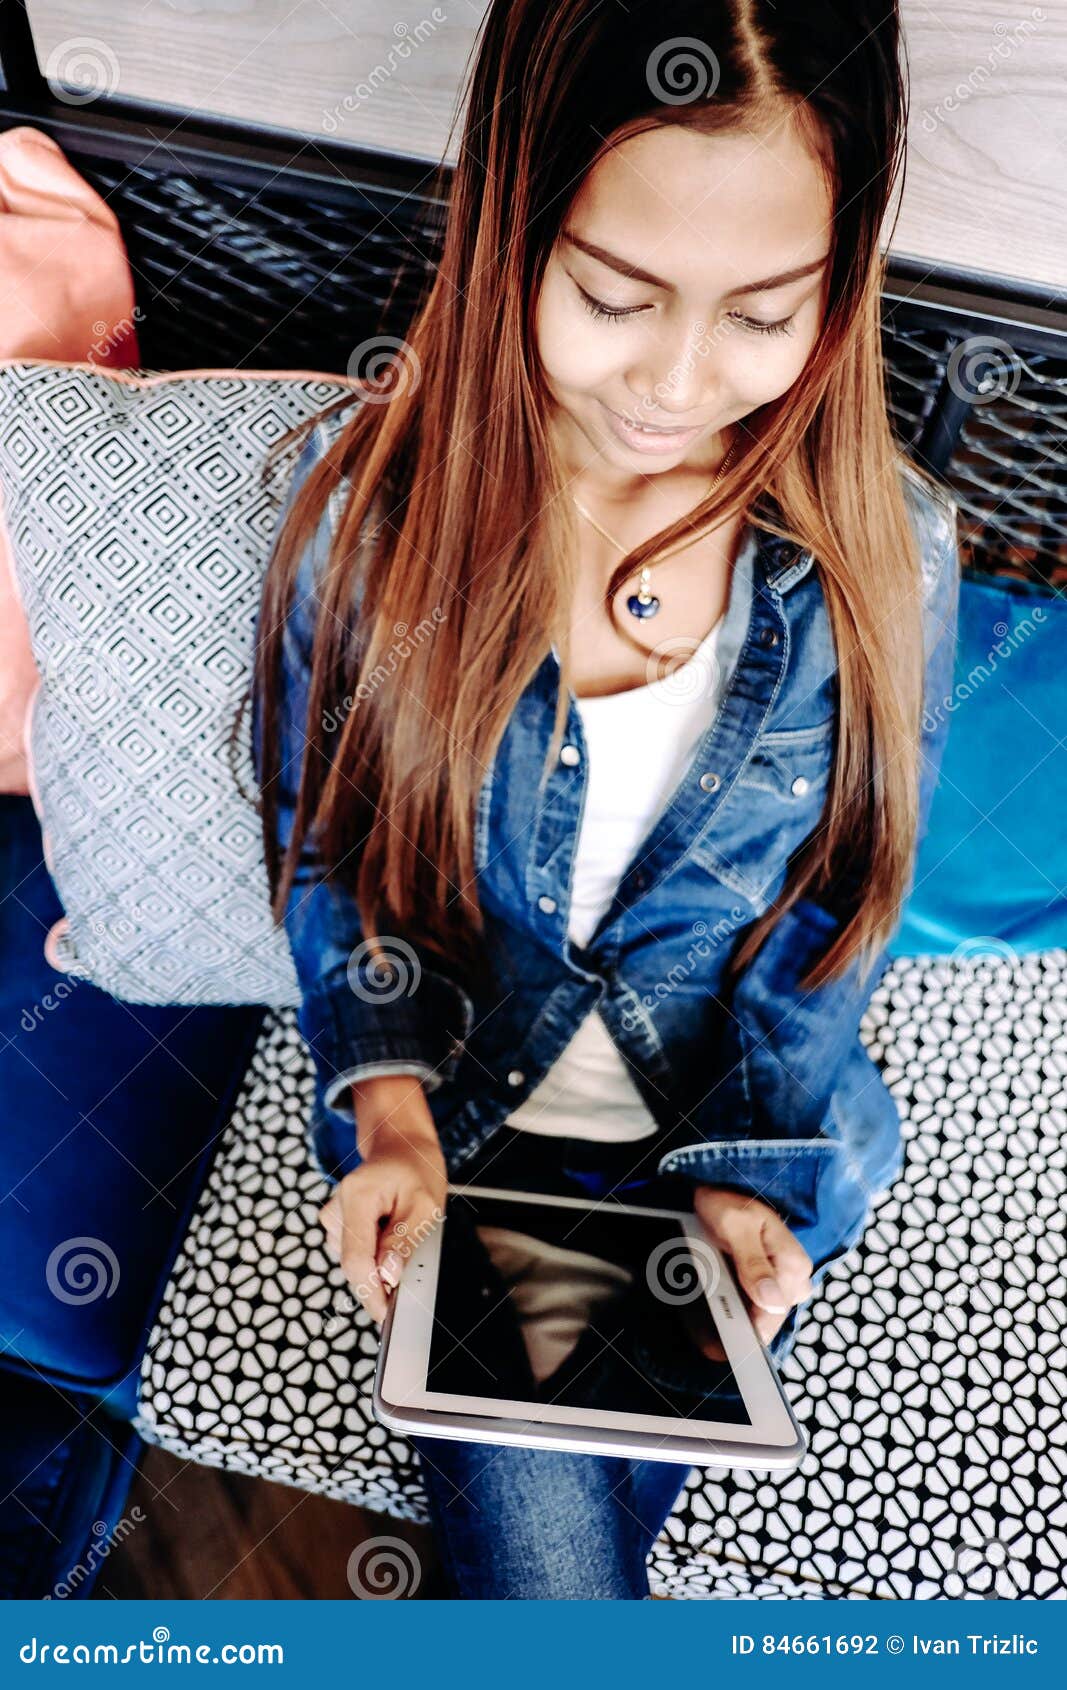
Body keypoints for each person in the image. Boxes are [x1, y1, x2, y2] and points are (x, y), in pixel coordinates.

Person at [252, 0, 960, 1599]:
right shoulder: (365, 520)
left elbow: (836, 912)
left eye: (765, 314)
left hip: (727, 1148)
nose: (680, 382)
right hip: (468, 1133)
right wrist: (387, 1111)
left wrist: (751, 1168)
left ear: (841, 281)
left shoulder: (890, 553)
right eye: (615, 299)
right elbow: (329, 853)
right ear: (516, 225)